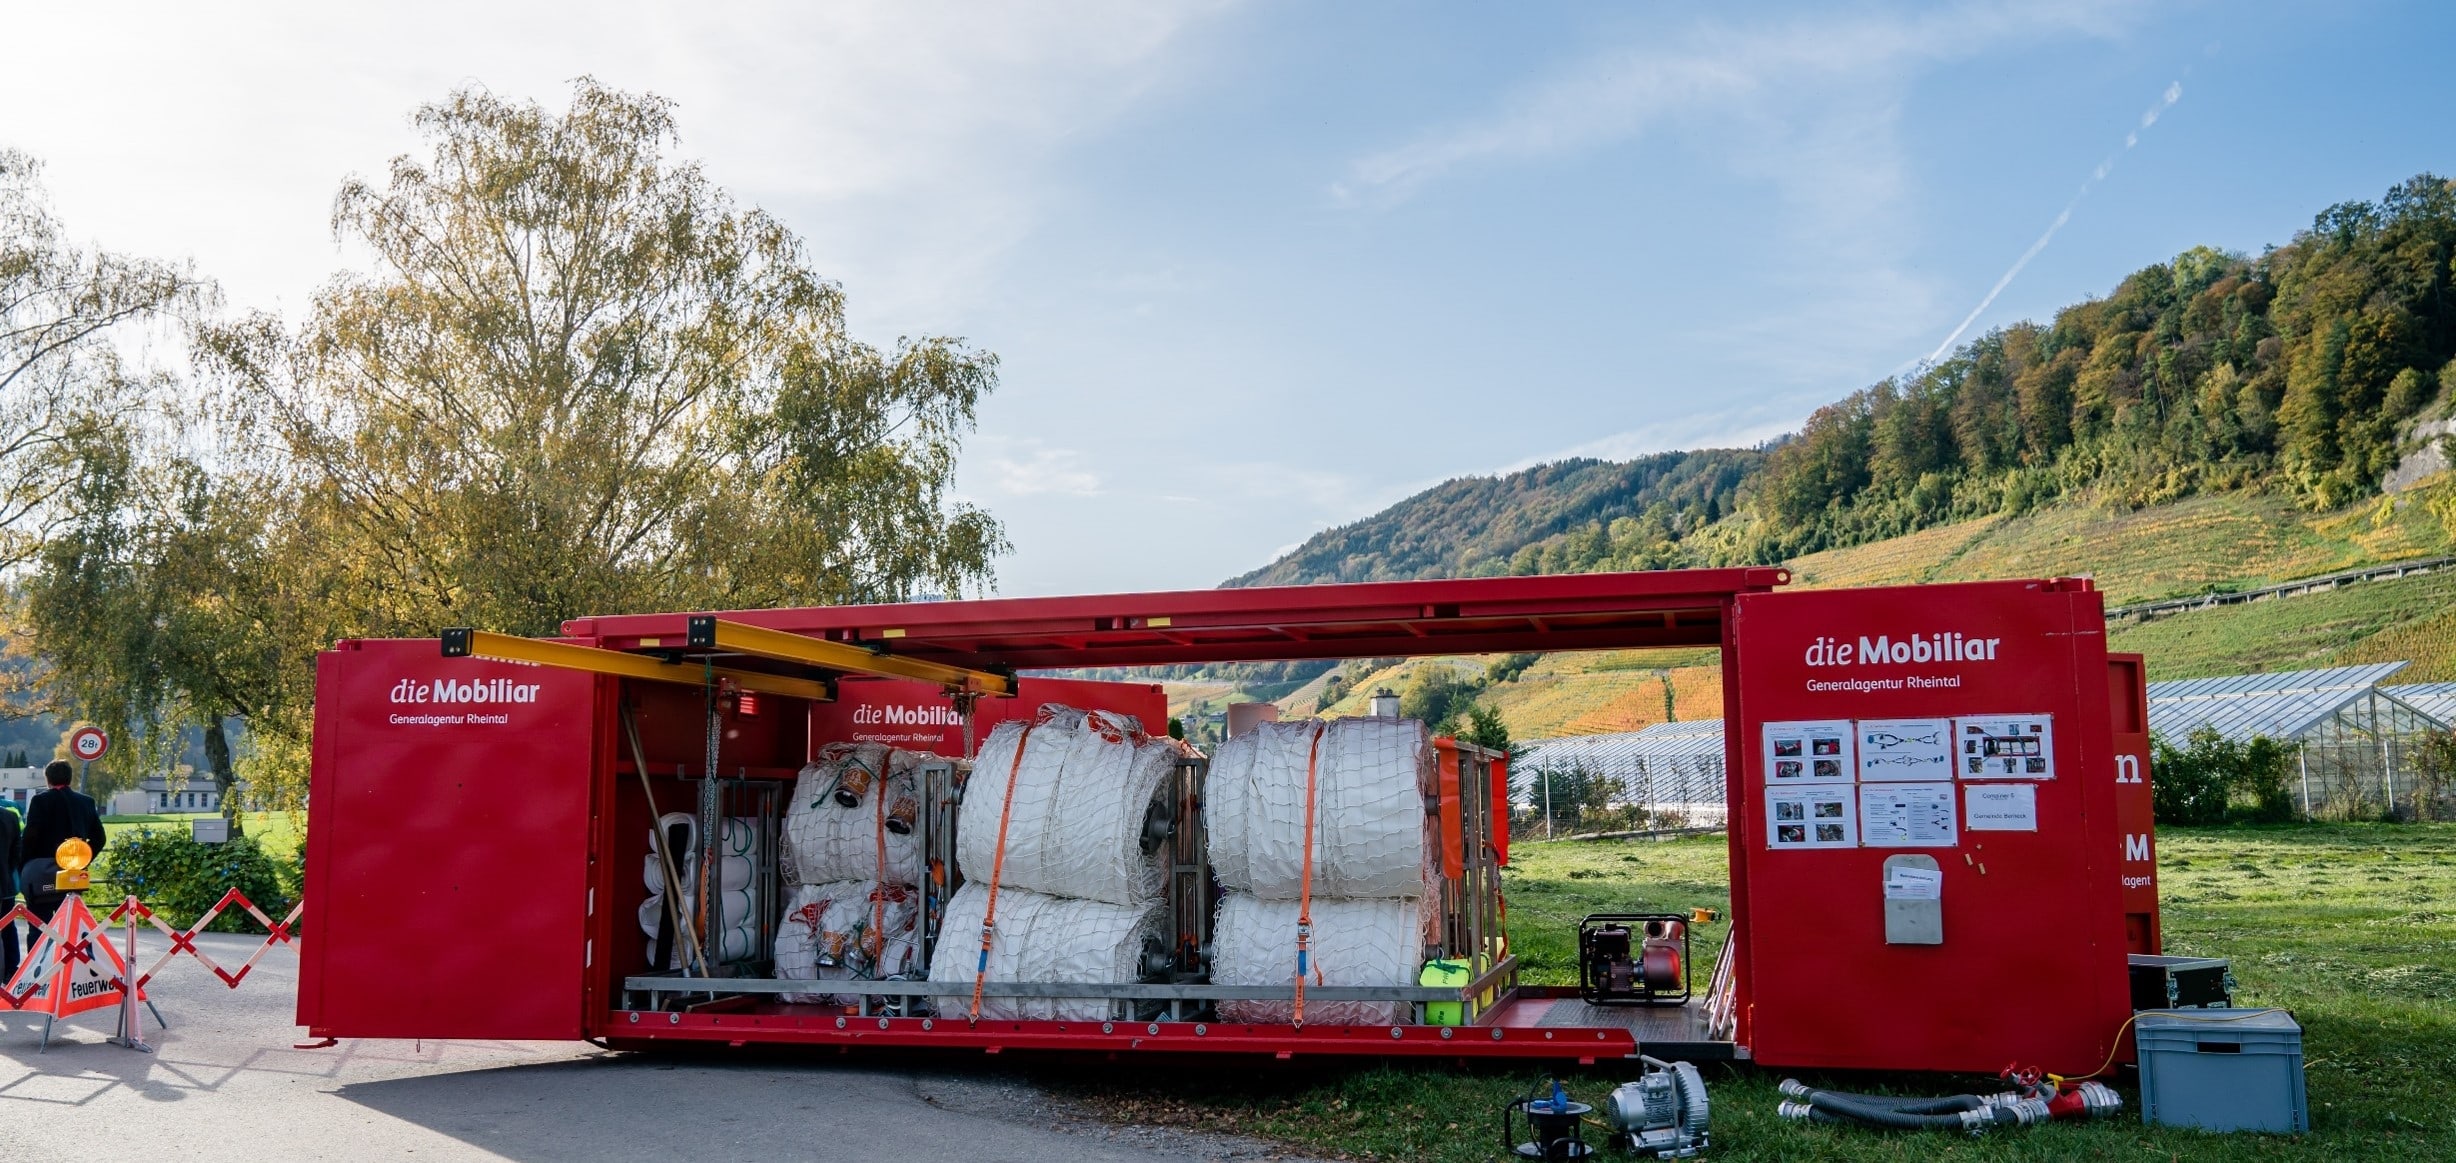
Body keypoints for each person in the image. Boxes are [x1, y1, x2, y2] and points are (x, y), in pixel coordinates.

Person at [21, 761, 105, 925]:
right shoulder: (86, 802)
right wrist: (83, 860)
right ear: (70, 778)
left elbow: (30, 837)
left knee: (40, 927)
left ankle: (43, 951)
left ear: (48, 779)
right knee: (70, 925)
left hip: (42, 875)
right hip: (73, 874)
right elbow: (99, 838)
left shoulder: (40, 801)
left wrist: (25, 864)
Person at [0, 801, 19, 982]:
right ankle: (11, 971)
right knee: (7, 926)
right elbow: (16, 853)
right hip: (5, 884)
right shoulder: (10, 816)